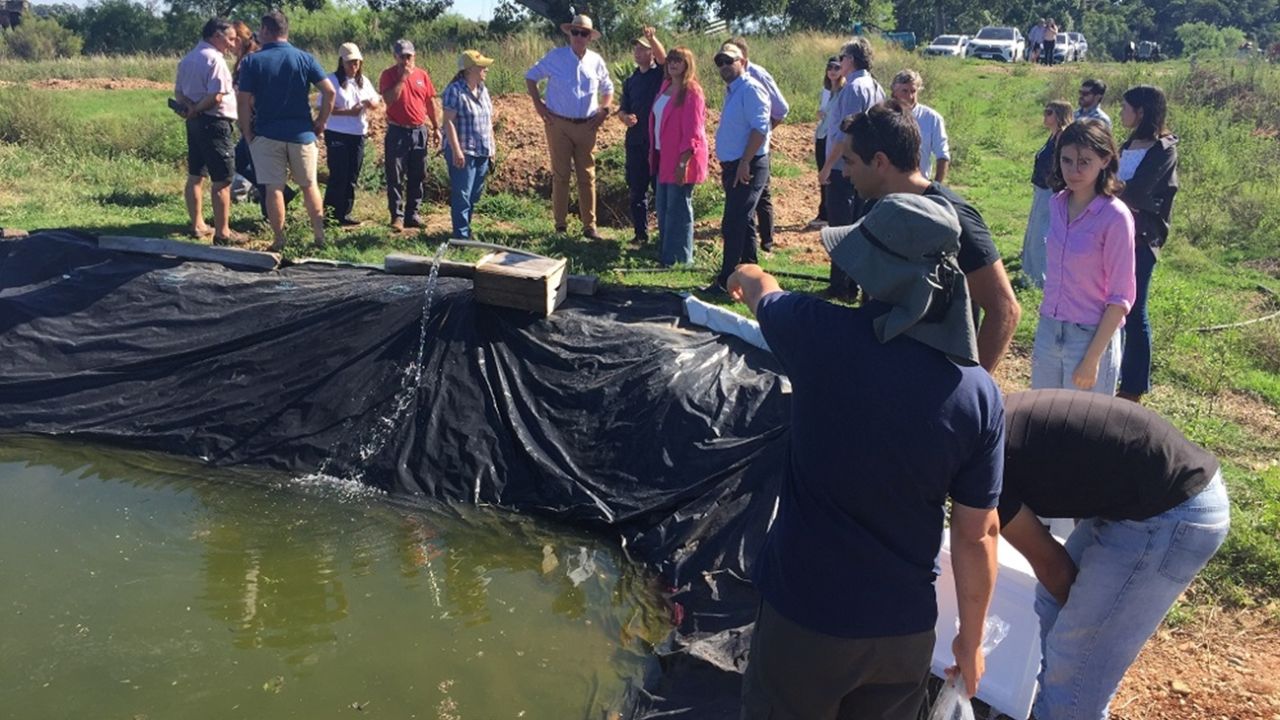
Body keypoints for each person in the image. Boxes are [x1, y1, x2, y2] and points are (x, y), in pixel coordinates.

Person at [729, 194, 1002, 720]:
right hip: (903, 633)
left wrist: (744, 271)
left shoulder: (816, 332)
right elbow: (978, 534)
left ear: (872, 270)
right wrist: (970, 641)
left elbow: (763, 291)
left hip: (805, 616)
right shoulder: (978, 395)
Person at [997, 389, 1229, 720]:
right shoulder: (984, 417)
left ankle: (1067, 708)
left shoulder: (980, 468)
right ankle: (1058, 705)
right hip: (1141, 493)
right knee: (1057, 613)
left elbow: (1053, 567)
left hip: (1172, 511)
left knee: (1077, 657)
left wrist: (1090, 639)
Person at [837, 102, 1022, 372]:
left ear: (879, 162)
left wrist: (971, 387)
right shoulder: (875, 209)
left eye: (849, 161)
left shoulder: (954, 220)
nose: (844, 172)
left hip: (936, 381)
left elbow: (1005, 310)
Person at [1031, 119, 1135, 394]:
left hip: (1090, 337)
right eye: (1066, 160)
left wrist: (1092, 359)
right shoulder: (1057, 204)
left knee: (1083, 420)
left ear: (1105, 160)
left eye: (1084, 162)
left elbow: (1121, 297)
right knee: (1044, 416)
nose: (1073, 171)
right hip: (1049, 330)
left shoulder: (1115, 217)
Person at [235, 10, 334, 252]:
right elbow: (329, 91)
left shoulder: (252, 62)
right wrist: (321, 121)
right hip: (302, 133)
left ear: (266, 30)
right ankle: (319, 237)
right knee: (309, 185)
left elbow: (243, 101)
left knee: (273, 188)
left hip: (267, 134)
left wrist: (247, 132)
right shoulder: (305, 58)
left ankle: (279, 240)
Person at [525, 14, 614, 240]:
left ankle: (589, 227)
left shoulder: (596, 60)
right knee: (561, 175)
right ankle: (560, 226)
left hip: (587, 126)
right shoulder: (556, 57)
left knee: (587, 176)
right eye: (575, 32)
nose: (579, 36)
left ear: (590, 37)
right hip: (559, 124)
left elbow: (608, 88)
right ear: (569, 33)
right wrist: (538, 105)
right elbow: (531, 77)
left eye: (583, 33)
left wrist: (604, 110)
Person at [1116, 85, 1179, 404]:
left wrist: (1107, 187)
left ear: (1140, 112)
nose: (1121, 113)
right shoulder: (1128, 144)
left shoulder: (1164, 149)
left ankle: (1133, 386)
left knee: (1134, 309)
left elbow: (1138, 191)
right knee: (1111, 304)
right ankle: (1112, 369)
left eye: (1125, 108)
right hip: (1115, 234)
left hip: (1142, 239)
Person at [818, 38, 884, 297]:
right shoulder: (876, 86)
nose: (840, 61)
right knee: (857, 224)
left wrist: (827, 166)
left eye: (843, 57)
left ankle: (841, 286)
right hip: (864, 168)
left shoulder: (854, 88)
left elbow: (847, 134)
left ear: (851, 60)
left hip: (844, 167)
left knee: (840, 227)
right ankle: (853, 283)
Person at [706, 42, 770, 295]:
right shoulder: (733, 91)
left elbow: (760, 128)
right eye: (720, 62)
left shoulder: (751, 89)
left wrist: (745, 161)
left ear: (742, 62)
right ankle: (749, 275)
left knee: (733, 222)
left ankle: (726, 282)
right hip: (735, 164)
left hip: (748, 164)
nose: (723, 66)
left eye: (729, 61)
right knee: (744, 222)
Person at [174, 18, 241, 245]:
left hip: (194, 124)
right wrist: (198, 109)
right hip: (215, 123)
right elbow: (216, 96)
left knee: (196, 174)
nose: (232, 44)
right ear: (217, 35)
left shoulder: (187, 59)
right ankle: (223, 232)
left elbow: (179, 92)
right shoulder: (215, 60)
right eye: (230, 39)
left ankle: (197, 225)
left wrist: (188, 109)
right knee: (222, 179)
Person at [230, 21, 298, 221]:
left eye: (232, 39)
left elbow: (251, 94)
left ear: (240, 39)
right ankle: (281, 197)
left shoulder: (250, 60)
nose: (229, 44)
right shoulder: (245, 59)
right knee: (241, 162)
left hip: (255, 122)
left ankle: (272, 213)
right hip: (250, 121)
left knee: (259, 168)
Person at [728, 37, 789, 253]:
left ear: (743, 58)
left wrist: (764, 133)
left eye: (732, 58)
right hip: (741, 148)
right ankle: (751, 249)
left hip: (755, 150)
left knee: (762, 195)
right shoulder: (733, 82)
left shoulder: (757, 75)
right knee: (748, 202)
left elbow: (781, 109)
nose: (727, 63)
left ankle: (767, 242)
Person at [648, 45, 708, 266]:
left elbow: (693, 131)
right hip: (662, 155)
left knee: (679, 208)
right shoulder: (665, 86)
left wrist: (683, 163)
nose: (673, 63)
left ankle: (682, 259)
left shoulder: (692, 91)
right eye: (671, 59)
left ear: (687, 65)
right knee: (664, 207)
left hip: (681, 158)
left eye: (678, 60)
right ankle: (667, 255)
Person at [379, 39, 440, 232]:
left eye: (409, 56)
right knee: (395, 175)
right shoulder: (388, 75)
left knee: (418, 174)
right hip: (397, 131)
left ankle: (412, 214)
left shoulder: (422, 75)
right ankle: (396, 216)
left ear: (414, 56)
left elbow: (430, 102)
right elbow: (389, 99)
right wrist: (402, 78)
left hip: (419, 130)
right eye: (402, 56)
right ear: (395, 57)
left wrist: (436, 127)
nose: (406, 60)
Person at [321, 42, 380, 226]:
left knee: (352, 174)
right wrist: (349, 112)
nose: (354, 66)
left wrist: (371, 103)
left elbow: (375, 100)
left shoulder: (363, 81)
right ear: (341, 62)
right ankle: (330, 215)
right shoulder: (331, 80)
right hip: (337, 132)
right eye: (350, 62)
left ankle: (344, 213)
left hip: (357, 133)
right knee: (338, 174)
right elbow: (324, 107)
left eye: (356, 62)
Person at [617, 27, 667, 245]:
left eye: (642, 48)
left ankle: (664, 236)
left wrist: (652, 38)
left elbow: (665, 59)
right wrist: (625, 118)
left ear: (651, 53)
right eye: (635, 49)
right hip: (635, 142)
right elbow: (622, 109)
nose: (637, 52)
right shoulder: (630, 81)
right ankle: (640, 235)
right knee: (637, 190)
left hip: (656, 144)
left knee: (660, 190)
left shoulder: (660, 75)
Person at [441, 50, 497, 240]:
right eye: (482, 66)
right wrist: (456, 150)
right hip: (463, 151)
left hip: (482, 150)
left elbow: (488, 122)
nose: (486, 70)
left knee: (474, 194)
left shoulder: (483, 90)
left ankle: (466, 229)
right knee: (462, 194)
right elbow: (448, 122)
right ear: (470, 69)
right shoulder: (454, 91)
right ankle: (461, 235)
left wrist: (492, 148)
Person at [1021, 100, 1073, 289]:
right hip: (1041, 189)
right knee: (1032, 232)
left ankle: (1040, 280)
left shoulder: (1063, 136)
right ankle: (1028, 275)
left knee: (1040, 235)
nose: (1045, 115)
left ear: (1059, 114)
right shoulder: (1053, 135)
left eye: (1049, 112)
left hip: (1051, 191)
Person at [890, 69, 949, 182]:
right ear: (894, 91)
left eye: (913, 91)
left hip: (919, 185)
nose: (910, 96)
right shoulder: (883, 116)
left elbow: (942, 155)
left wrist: (936, 187)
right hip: (887, 186)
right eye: (904, 91)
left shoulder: (931, 118)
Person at [807, 56, 843, 230]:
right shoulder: (827, 91)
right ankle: (824, 212)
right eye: (830, 68)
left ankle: (827, 214)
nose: (833, 71)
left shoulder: (843, 92)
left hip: (832, 138)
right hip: (821, 135)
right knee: (822, 174)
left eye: (837, 68)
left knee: (830, 175)